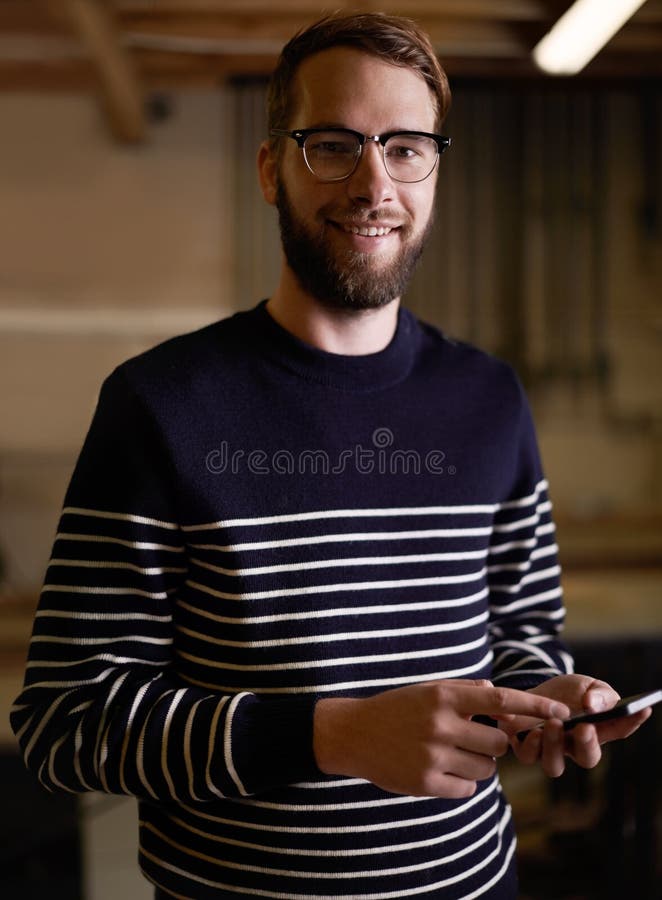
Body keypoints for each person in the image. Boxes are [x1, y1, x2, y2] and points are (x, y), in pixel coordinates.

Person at [11, 12, 651, 900]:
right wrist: (328, 735)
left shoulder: (490, 399)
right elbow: (66, 723)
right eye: (334, 145)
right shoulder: (159, 404)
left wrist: (549, 698)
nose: (373, 182)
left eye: (406, 148)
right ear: (272, 168)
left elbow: (520, 634)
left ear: (435, 171)